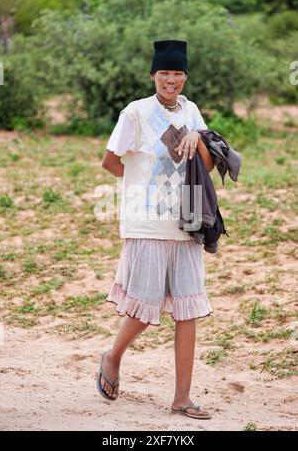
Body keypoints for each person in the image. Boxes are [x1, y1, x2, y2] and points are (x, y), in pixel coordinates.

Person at [98, 40, 214, 420]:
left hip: (187, 221)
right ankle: (112, 357)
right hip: (147, 223)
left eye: (178, 73)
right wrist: (142, 187)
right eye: (165, 73)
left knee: (187, 312)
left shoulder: (192, 111)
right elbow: (110, 162)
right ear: (153, 75)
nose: (172, 79)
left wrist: (198, 139)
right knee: (144, 310)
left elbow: (209, 165)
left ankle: (182, 398)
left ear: (185, 77)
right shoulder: (135, 113)